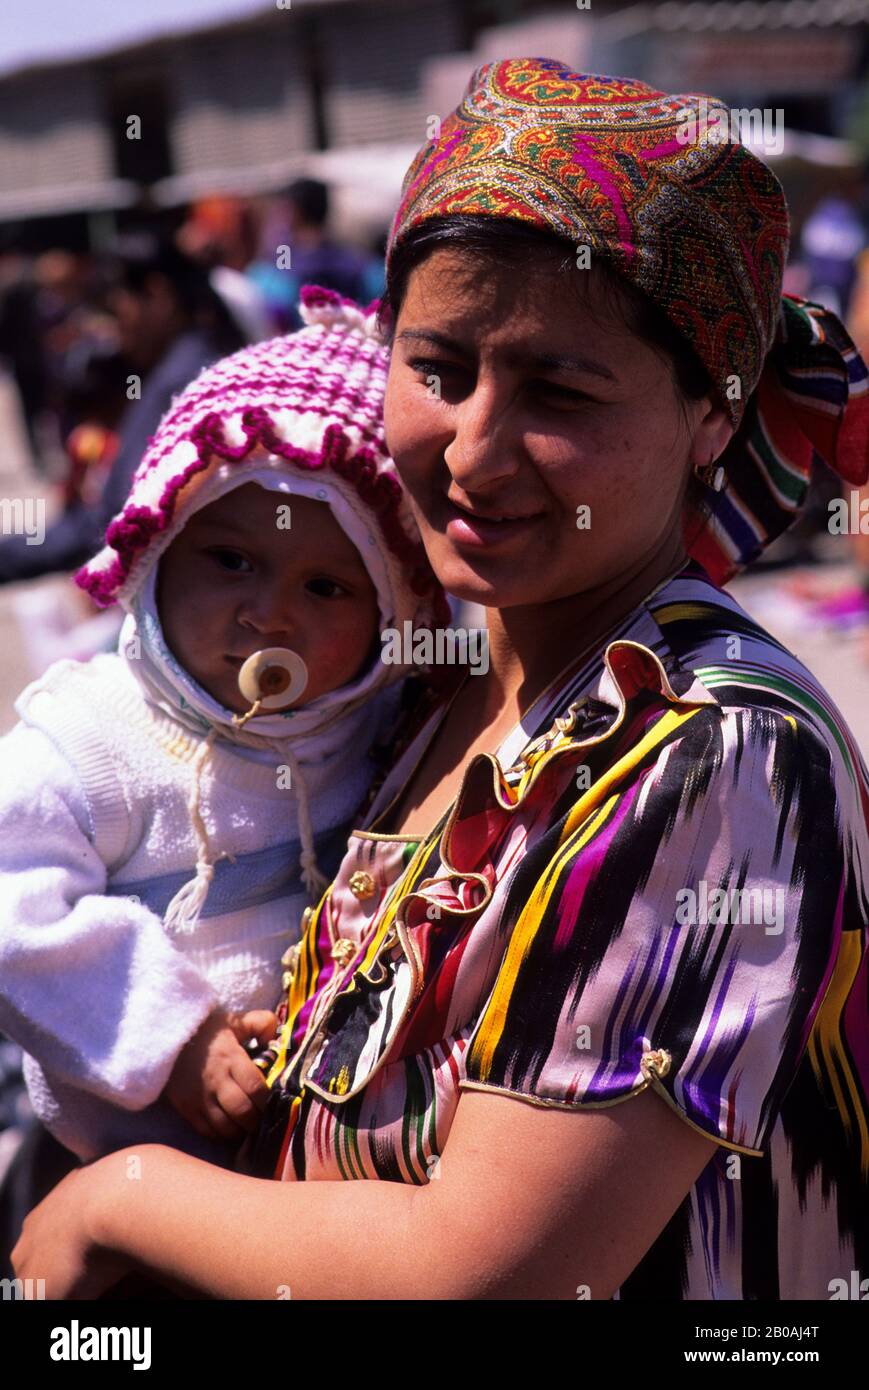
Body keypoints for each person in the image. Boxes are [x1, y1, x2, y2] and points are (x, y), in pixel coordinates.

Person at [11, 60, 869, 1302]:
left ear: (710, 417)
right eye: (439, 367)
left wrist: (118, 1197)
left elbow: (495, 1270)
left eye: (558, 389)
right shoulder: (434, 685)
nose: (471, 451)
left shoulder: (707, 752)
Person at [0, 287, 444, 1172]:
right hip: (117, 1163)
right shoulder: (92, 737)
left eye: (327, 588)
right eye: (230, 560)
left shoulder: (388, 728)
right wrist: (174, 1039)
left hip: (302, 1163)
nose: (268, 614)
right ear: (154, 554)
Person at [0, 234, 246, 585]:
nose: (117, 328)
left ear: (158, 296)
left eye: (119, 309)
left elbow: (108, 522)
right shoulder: (199, 361)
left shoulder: (180, 382)